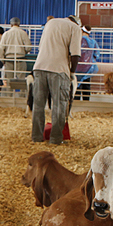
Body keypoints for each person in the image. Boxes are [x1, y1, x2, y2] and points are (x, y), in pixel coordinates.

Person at [31, 15, 81, 145]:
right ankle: (55, 139)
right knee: (59, 106)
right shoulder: (75, 28)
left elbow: (41, 47)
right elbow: (75, 54)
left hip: (39, 67)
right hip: (59, 69)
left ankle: (36, 137)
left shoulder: (50, 23)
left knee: (38, 105)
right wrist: (72, 72)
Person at [0, 17, 33, 84]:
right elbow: (28, 47)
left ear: (11, 24)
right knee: (21, 80)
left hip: (9, 59)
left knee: (9, 80)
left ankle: (9, 94)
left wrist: (2, 59)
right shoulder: (23, 33)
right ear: (19, 24)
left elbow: (1, 48)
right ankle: (21, 94)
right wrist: (25, 51)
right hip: (21, 58)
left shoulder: (6, 34)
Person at [75, 25, 99, 101]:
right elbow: (96, 54)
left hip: (78, 66)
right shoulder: (93, 42)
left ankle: (77, 101)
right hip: (89, 67)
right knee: (86, 85)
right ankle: (86, 102)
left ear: (82, 31)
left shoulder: (79, 40)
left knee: (77, 85)